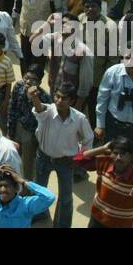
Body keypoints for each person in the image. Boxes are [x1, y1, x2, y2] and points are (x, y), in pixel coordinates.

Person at [31, 84, 93, 229]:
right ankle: (39, 214)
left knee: (65, 197)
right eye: (57, 96)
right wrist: (34, 97)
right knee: (39, 190)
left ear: (71, 101)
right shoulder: (47, 110)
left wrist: (78, 159)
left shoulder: (79, 119)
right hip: (43, 158)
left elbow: (88, 140)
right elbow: (39, 109)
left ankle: (62, 225)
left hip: (66, 162)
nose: (59, 100)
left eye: (64, 98)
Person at [74, 136, 133, 228]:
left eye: (123, 154)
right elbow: (78, 160)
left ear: (131, 157)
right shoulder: (104, 163)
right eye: (115, 153)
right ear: (110, 153)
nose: (118, 158)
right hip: (97, 221)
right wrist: (102, 149)